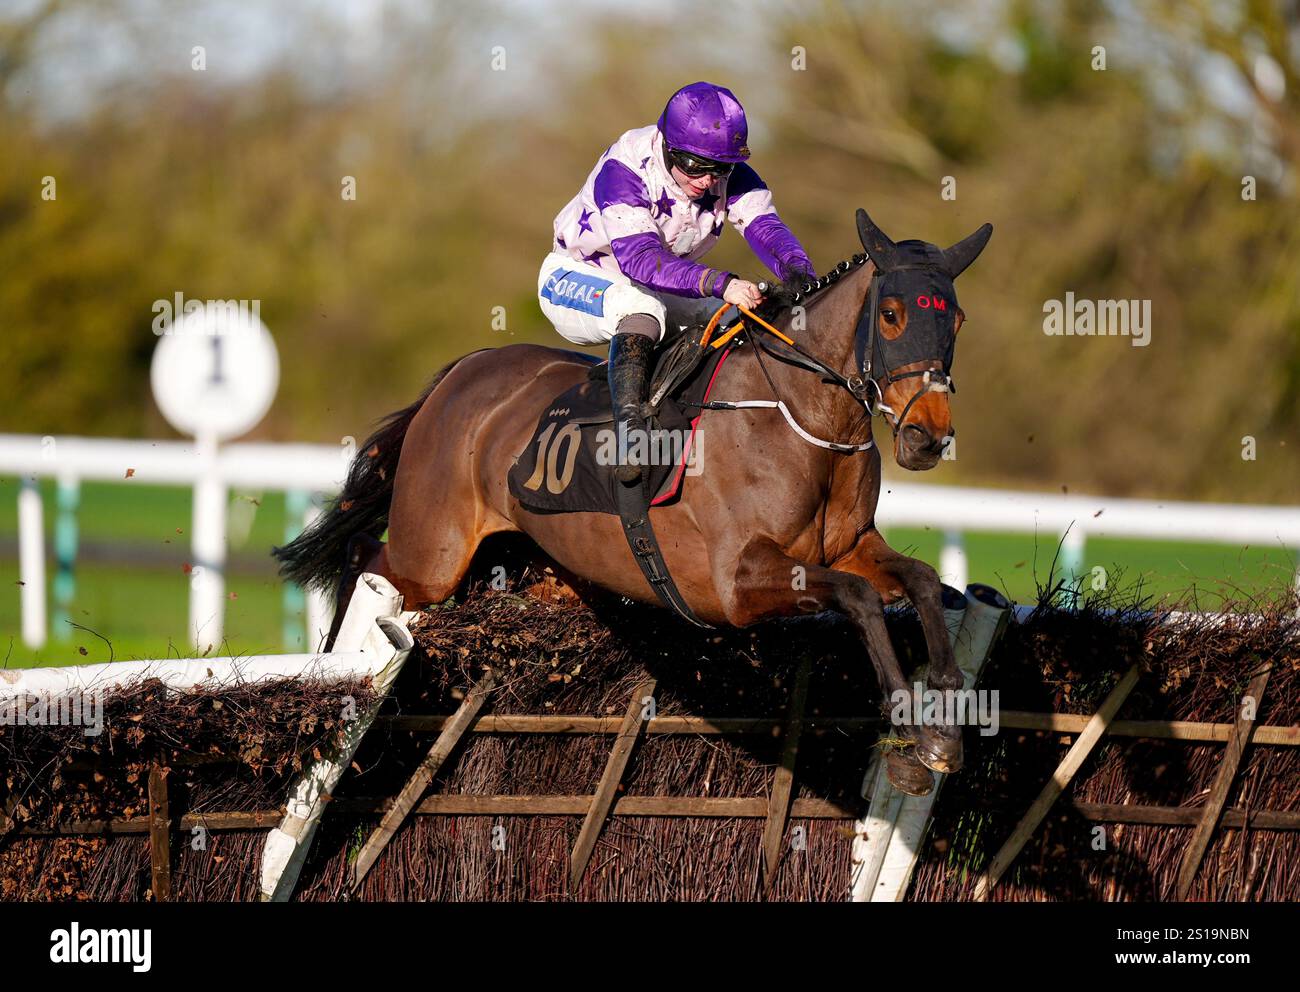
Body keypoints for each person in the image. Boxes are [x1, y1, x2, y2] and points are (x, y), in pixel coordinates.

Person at [538, 81, 815, 483]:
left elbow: (766, 230)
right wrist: (722, 282)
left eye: (719, 168)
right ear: (667, 146)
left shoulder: (726, 172)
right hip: (576, 276)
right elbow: (642, 261)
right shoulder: (624, 169)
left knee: (730, 318)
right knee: (642, 309)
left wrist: (802, 276)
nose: (707, 180)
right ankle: (629, 434)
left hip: (654, 283)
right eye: (694, 165)